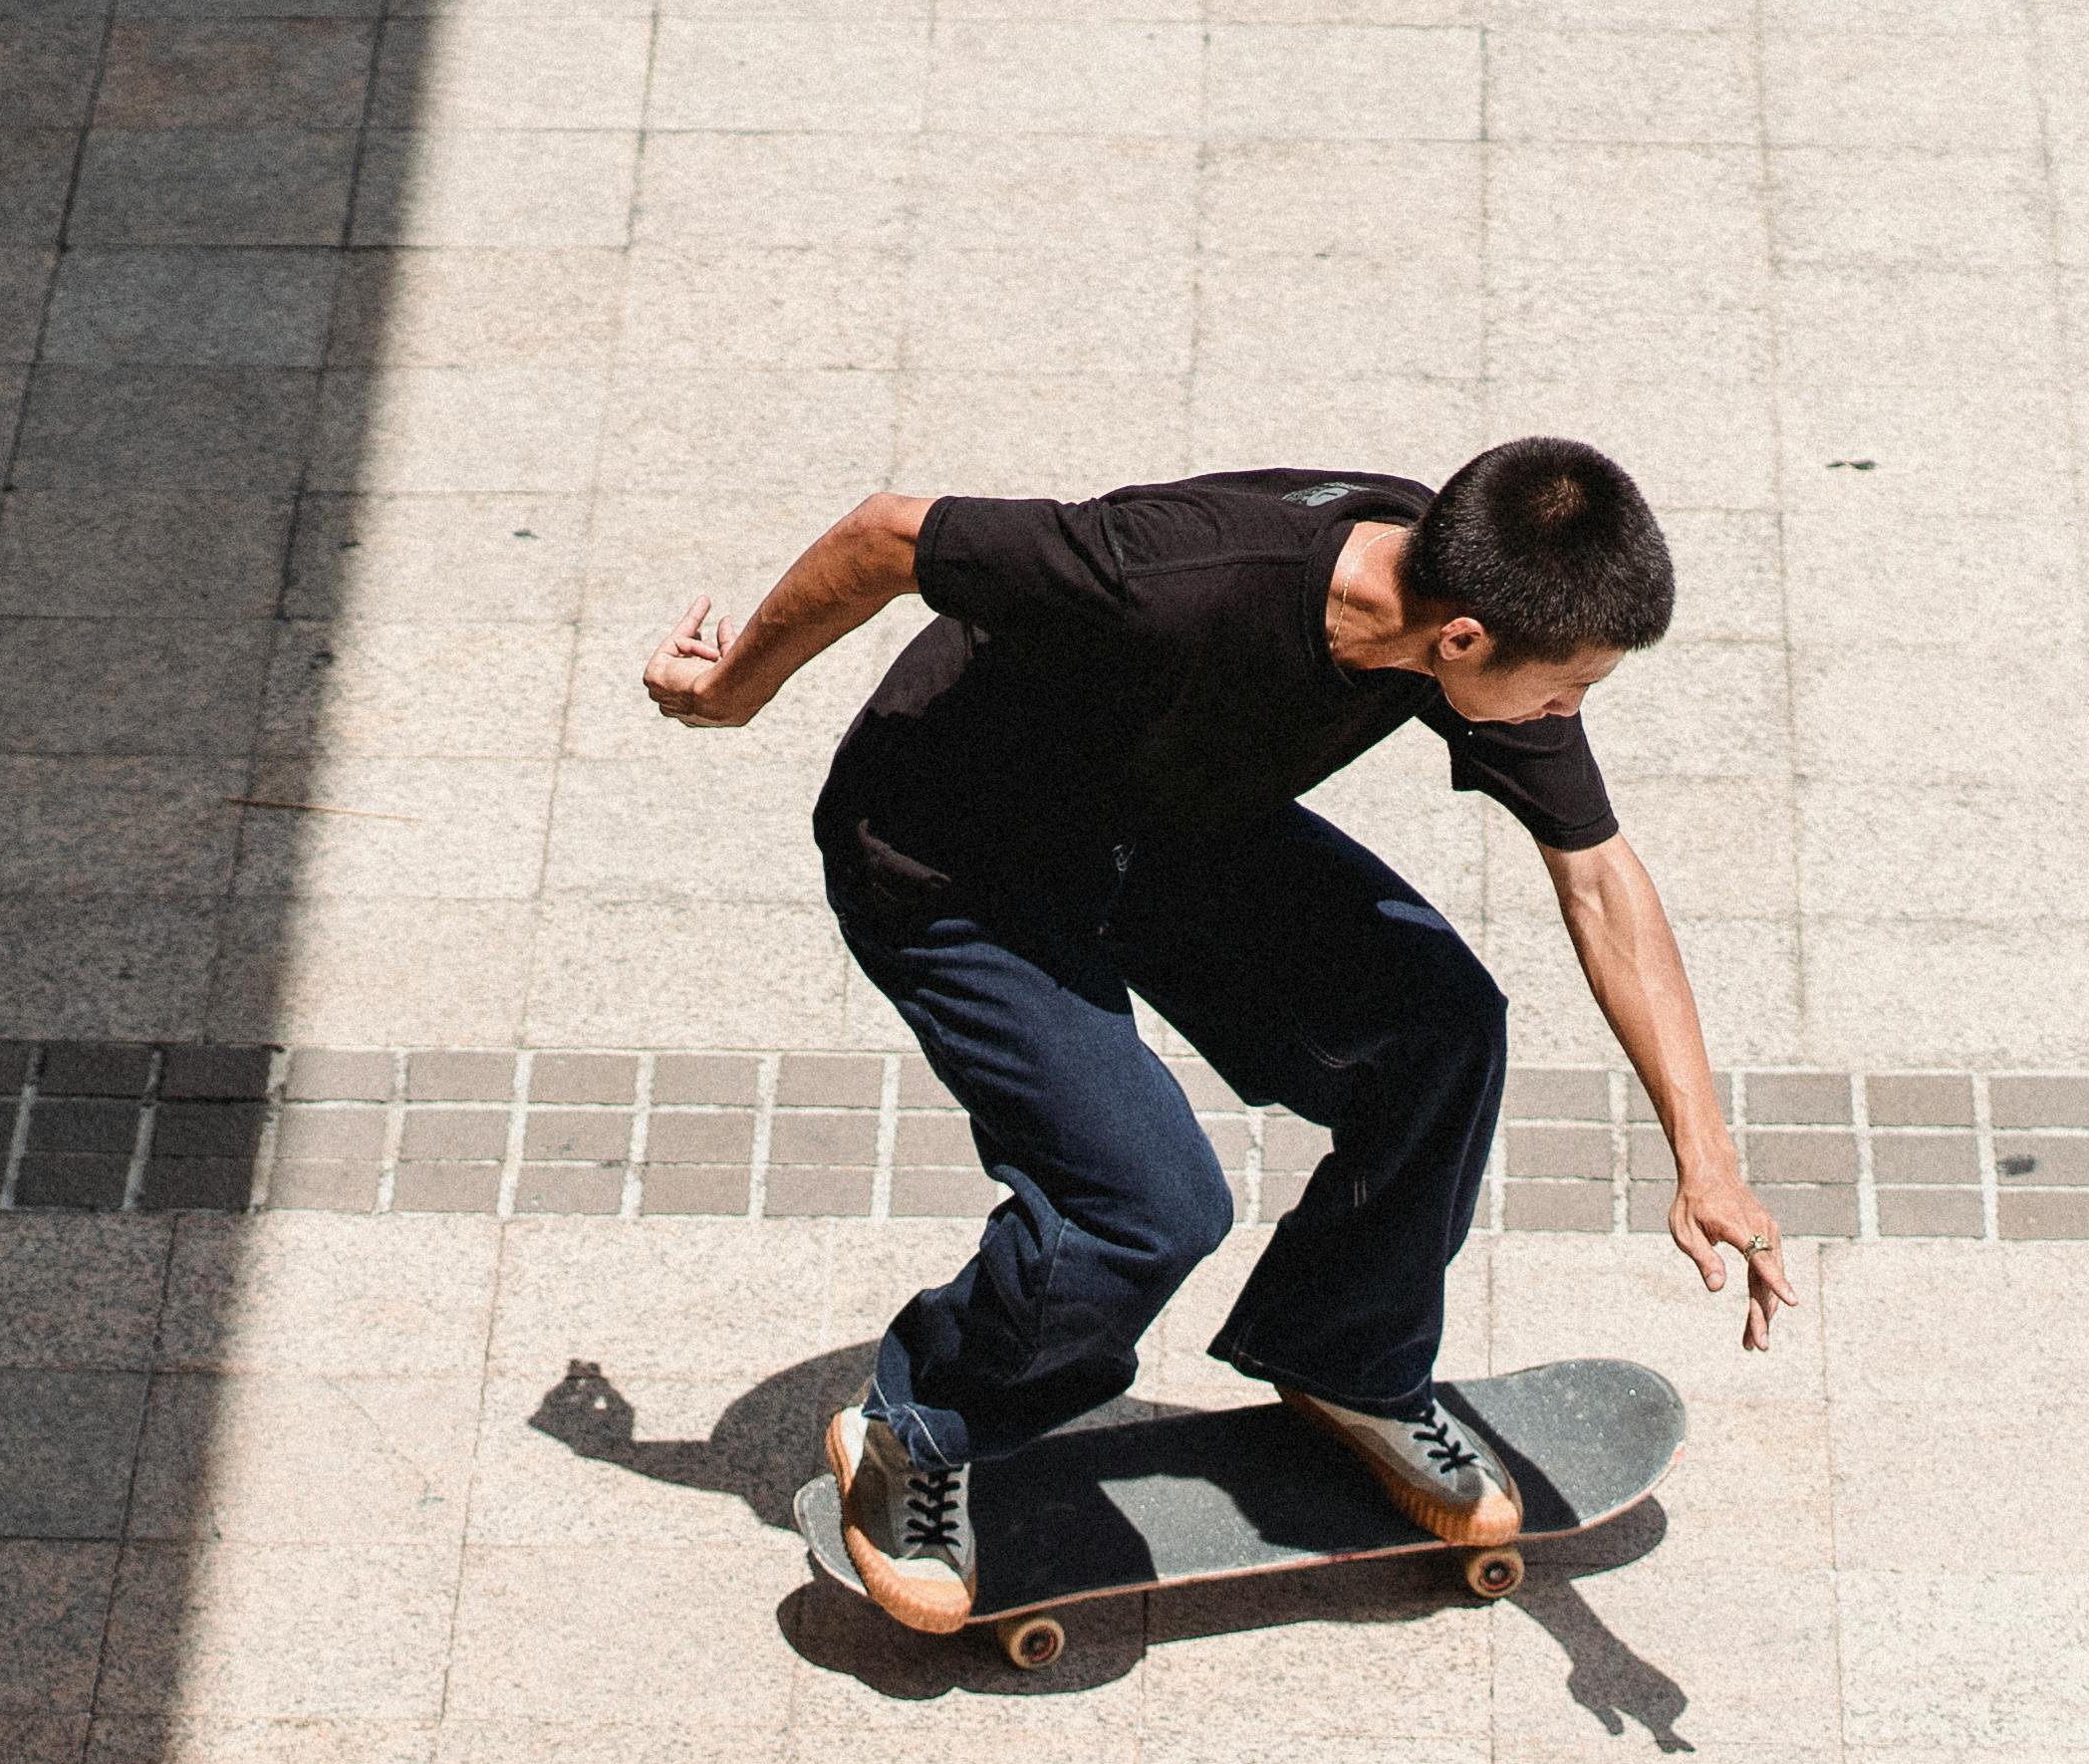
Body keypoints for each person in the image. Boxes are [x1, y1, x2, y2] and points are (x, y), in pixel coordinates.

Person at [644, 438, 1793, 1636]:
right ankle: (920, 1417)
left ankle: (1348, 1354)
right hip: (951, 862)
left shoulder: (1473, 588)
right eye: (1573, 686)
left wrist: (1703, 1156)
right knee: (1144, 1203)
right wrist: (733, 692)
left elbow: (1600, 879)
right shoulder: (1169, 579)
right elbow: (889, 533)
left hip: (1164, 829)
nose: (1570, 712)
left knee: (1438, 1031)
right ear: (1460, 641)